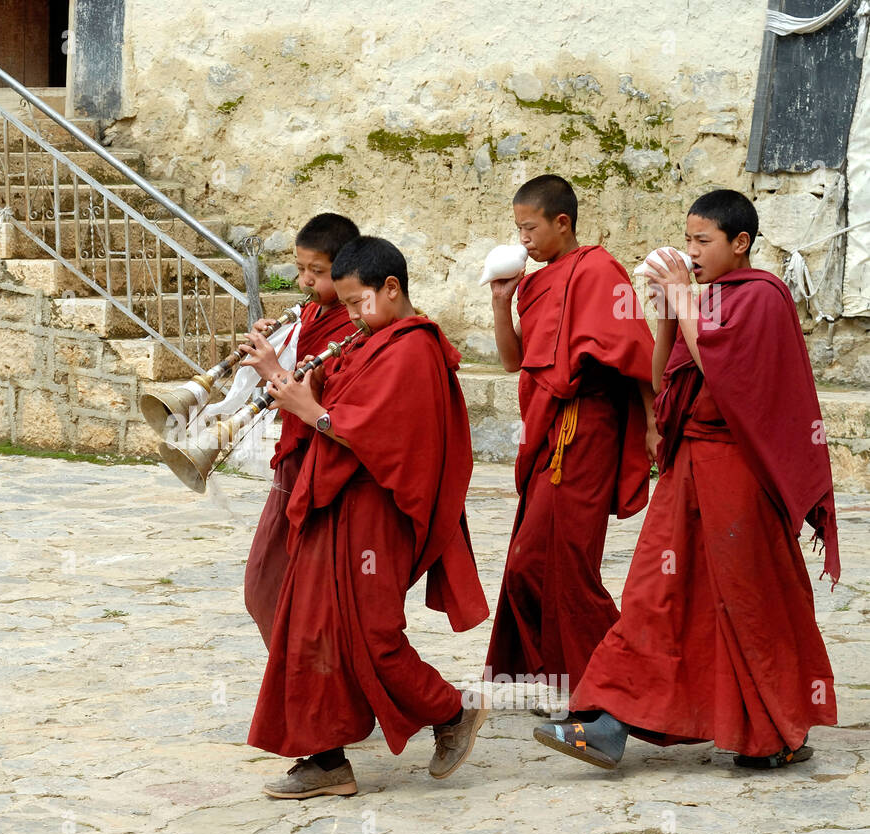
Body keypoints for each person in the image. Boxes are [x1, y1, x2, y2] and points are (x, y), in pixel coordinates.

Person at [535, 189, 840, 770]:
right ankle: (608, 721)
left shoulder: (762, 297)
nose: (691, 251)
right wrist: (669, 313)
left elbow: (728, 376)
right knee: (656, 591)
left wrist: (682, 297)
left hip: (739, 475)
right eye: (689, 239)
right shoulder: (711, 299)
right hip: (690, 468)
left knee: (749, 601)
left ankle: (772, 731)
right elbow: (665, 374)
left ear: (740, 244)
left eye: (703, 241)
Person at [247, 236, 490, 798]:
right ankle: (326, 758)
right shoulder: (373, 340)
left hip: (374, 514)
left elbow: (385, 437)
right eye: (348, 304)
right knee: (313, 629)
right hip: (335, 507)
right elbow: (332, 405)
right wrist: (290, 382)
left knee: (373, 636)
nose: (351, 315)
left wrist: (313, 409)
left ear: (392, 288)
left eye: (359, 303)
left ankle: (453, 711)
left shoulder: (413, 348)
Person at [484, 175, 656, 704]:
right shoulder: (535, 283)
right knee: (526, 565)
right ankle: (563, 677)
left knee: (568, 568)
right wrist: (500, 303)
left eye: (530, 228)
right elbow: (516, 361)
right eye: (518, 230)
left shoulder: (600, 271)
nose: (524, 241)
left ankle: (620, 690)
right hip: (549, 432)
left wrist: (652, 425)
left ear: (562, 222)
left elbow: (638, 355)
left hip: (588, 432)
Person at [238, 213, 360, 648]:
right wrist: (278, 341)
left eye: (318, 272)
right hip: (292, 460)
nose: (305, 281)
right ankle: (297, 678)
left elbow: (333, 403)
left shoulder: (353, 327)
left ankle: (303, 681)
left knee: (278, 586)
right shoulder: (312, 311)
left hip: (320, 464)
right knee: (266, 586)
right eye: (300, 268)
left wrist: (274, 367)